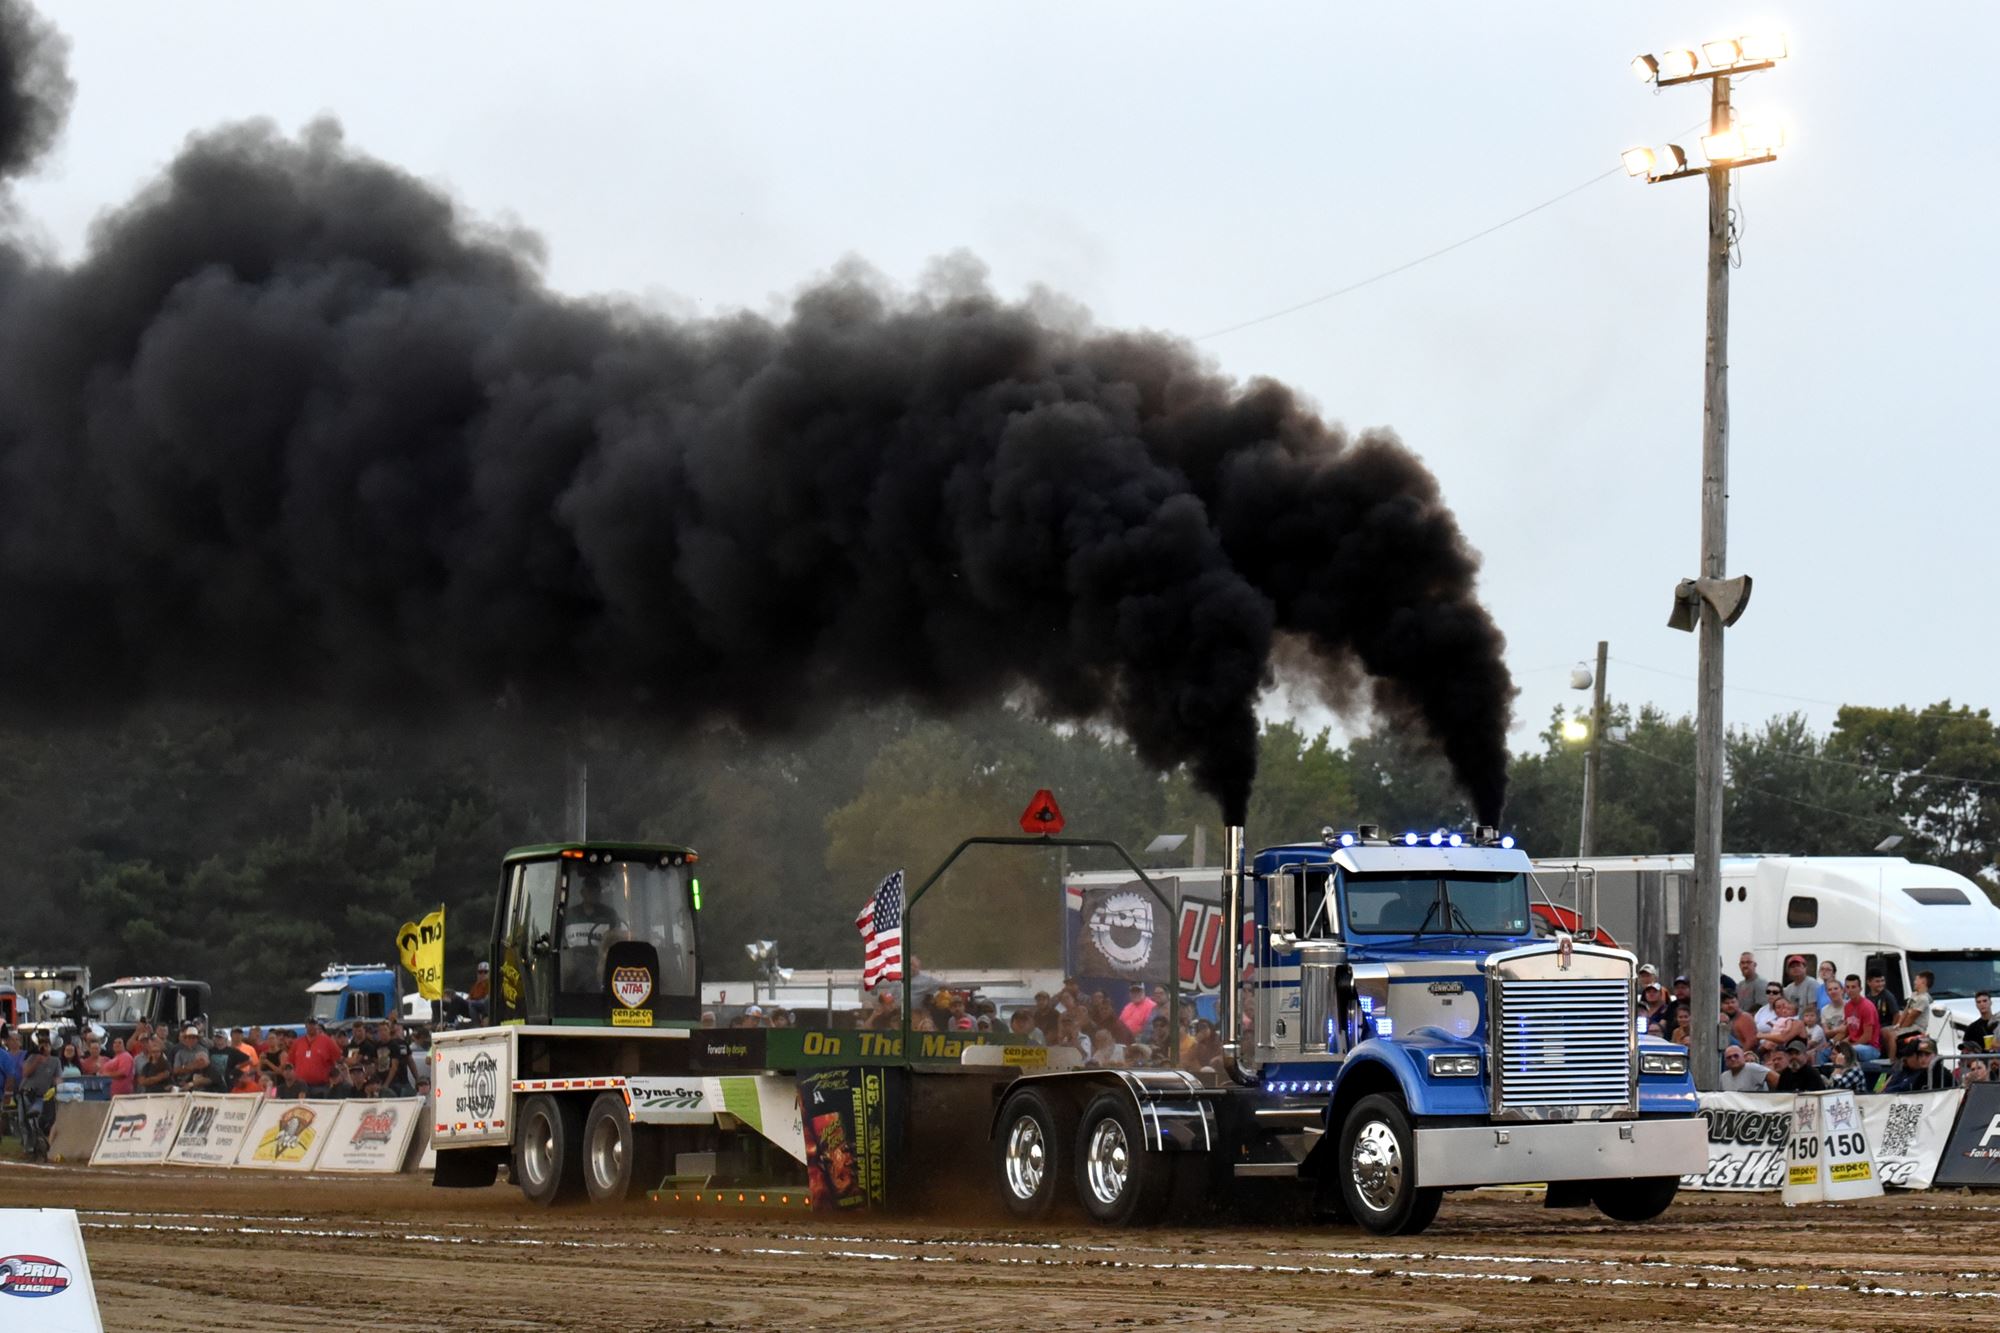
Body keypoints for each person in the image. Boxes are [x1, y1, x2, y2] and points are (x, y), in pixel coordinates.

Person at [288, 1017, 341, 1096]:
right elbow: (290, 1063)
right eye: (309, 1024)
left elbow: (338, 1059)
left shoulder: (327, 1041)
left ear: (317, 1025)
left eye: (313, 1024)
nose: (311, 1027)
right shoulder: (298, 1042)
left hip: (321, 1086)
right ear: (306, 1026)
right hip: (301, 1087)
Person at [1883, 1034, 1952, 1094]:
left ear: (1935, 1055)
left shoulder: (1943, 1074)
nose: (1923, 1058)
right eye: (1920, 1055)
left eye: (1927, 1054)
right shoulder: (1916, 1073)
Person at [1842, 975, 1884, 1061]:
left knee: (1852, 1051)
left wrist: (1850, 1046)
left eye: (1853, 987)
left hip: (1870, 1047)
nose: (1850, 990)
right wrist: (1833, 1043)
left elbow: (1867, 1037)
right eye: (1847, 987)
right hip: (1854, 1044)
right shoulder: (1847, 1006)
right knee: (1825, 1051)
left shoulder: (1867, 1006)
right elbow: (1849, 1032)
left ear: (1860, 989)